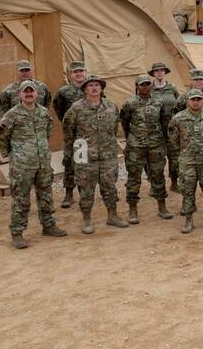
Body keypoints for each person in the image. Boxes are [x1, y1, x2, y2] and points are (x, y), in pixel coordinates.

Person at [0, 80, 66, 248]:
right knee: (21, 199)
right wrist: (13, 154)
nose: (29, 94)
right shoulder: (12, 114)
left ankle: (49, 225)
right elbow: (1, 136)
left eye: (31, 91)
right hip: (22, 165)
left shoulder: (43, 113)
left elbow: (47, 132)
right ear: (20, 94)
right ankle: (17, 233)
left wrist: (40, 150)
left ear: (37, 94)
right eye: (25, 91)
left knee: (46, 196)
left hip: (42, 162)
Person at [64, 74, 126, 235]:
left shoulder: (111, 106)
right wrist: (75, 152)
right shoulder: (76, 108)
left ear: (101, 88)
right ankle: (87, 220)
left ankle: (112, 216)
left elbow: (114, 129)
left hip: (107, 154)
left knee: (110, 186)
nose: (94, 88)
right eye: (90, 85)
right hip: (84, 154)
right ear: (85, 89)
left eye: (97, 85)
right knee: (86, 189)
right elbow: (68, 131)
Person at [168, 89, 203, 233]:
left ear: (202, 100)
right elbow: (173, 141)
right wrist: (184, 154)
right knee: (187, 190)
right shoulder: (178, 119)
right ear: (187, 101)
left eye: (198, 99)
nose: (196, 102)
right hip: (188, 161)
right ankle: (188, 220)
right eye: (193, 99)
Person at [119, 74, 171, 223]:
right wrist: (131, 139)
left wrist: (163, 142)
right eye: (142, 84)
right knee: (134, 177)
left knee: (158, 175)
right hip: (136, 146)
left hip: (156, 144)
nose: (145, 86)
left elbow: (163, 121)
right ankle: (133, 210)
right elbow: (125, 122)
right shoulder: (130, 103)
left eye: (148, 84)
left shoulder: (158, 101)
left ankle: (162, 207)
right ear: (137, 86)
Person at [54, 61, 92, 209]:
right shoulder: (64, 92)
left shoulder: (92, 87)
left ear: (85, 72)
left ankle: (85, 193)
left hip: (90, 133)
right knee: (70, 162)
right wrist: (68, 125)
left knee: (88, 162)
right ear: (71, 74)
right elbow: (59, 110)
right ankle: (69, 194)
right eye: (75, 72)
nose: (79, 74)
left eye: (81, 71)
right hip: (72, 134)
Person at [148, 62, 180, 193]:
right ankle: (154, 186)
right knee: (155, 160)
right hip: (155, 129)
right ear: (153, 74)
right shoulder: (148, 88)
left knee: (174, 158)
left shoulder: (172, 88)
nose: (159, 73)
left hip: (171, 129)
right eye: (157, 71)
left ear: (165, 72)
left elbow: (179, 105)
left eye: (162, 70)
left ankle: (174, 183)